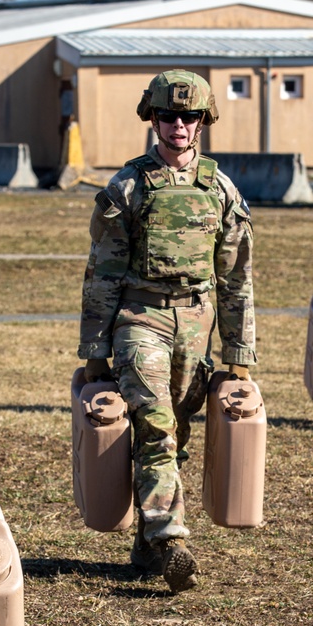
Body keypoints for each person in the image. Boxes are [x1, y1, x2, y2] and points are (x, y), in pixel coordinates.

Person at [78, 70, 256, 594]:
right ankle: (171, 539)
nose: (179, 125)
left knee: (174, 434)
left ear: (204, 121)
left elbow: (236, 277)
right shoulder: (128, 186)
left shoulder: (220, 188)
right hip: (141, 321)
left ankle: (146, 546)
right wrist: (95, 351)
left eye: (189, 116)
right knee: (155, 425)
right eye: (168, 116)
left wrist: (239, 352)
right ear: (152, 119)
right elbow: (103, 273)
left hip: (197, 324)